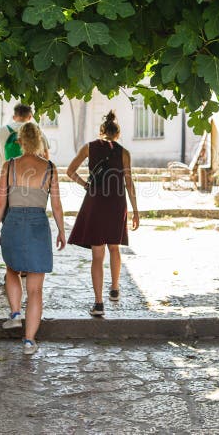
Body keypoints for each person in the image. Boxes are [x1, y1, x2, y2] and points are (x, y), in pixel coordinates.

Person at [0, 122, 66, 355]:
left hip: (13, 223)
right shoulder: (50, 168)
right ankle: (29, 341)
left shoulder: (9, 166)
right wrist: (62, 231)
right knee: (35, 289)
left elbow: (1, 202)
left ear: (20, 142)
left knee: (12, 269)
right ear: (40, 142)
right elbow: (57, 205)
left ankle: (14, 312)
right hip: (38, 225)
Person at [67, 110, 140, 317]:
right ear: (117, 134)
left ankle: (98, 304)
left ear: (101, 131)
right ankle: (115, 289)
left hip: (95, 202)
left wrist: (86, 185)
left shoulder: (89, 148)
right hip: (116, 203)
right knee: (114, 248)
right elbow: (129, 183)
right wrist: (135, 210)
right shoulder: (124, 152)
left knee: (97, 255)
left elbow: (70, 171)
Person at [0, 103, 50, 203]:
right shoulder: (38, 132)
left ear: (14, 116)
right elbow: (46, 160)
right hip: (32, 187)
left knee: (7, 217)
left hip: (6, 186)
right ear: (30, 117)